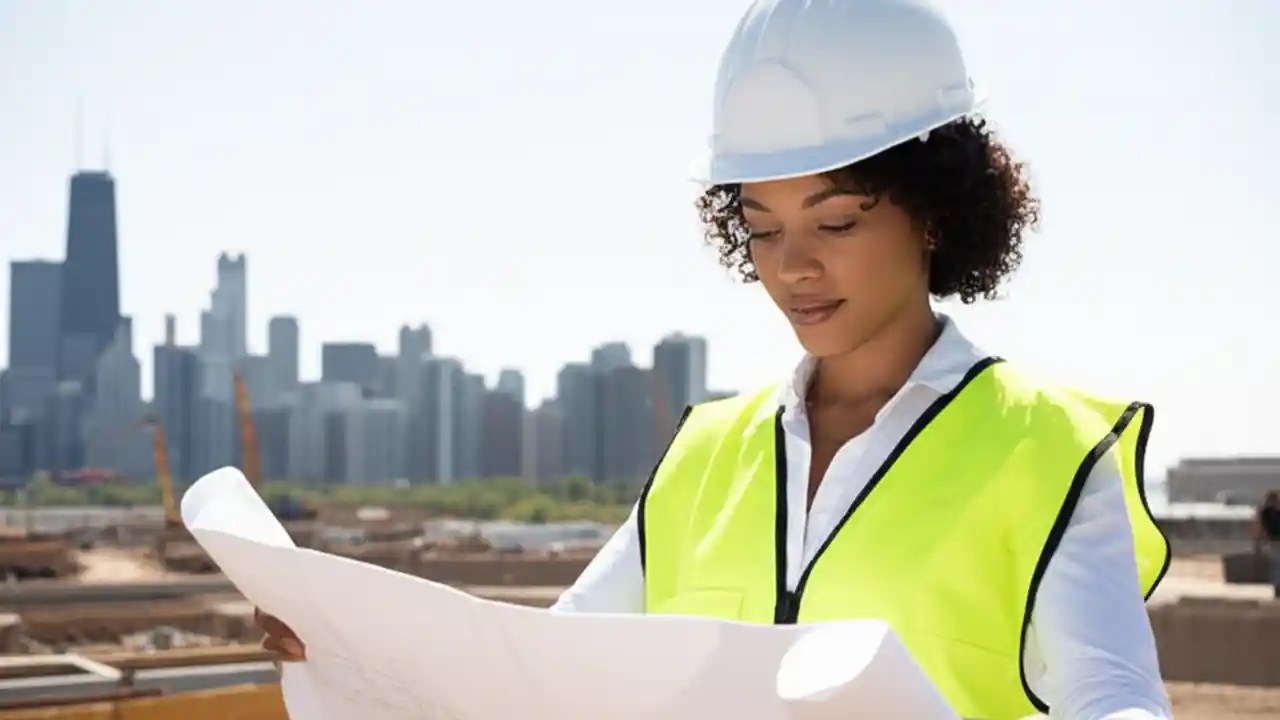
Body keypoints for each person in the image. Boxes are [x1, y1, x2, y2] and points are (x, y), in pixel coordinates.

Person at [258, 1, 1175, 717]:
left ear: (935, 211)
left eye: (836, 222)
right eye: (763, 228)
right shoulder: (704, 455)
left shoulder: (1050, 451)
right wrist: (350, 648)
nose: (793, 266)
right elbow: (544, 672)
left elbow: (1115, 699)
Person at [1256, 490, 1280, 597]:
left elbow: (1261, 529)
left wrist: (1258, 543)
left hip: (1272, 541)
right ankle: (1277, 587)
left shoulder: (1264, 513)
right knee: (1276, 564)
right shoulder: (1273, 513)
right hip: (1275, 540)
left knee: (1275, 565)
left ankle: (1277, 587)